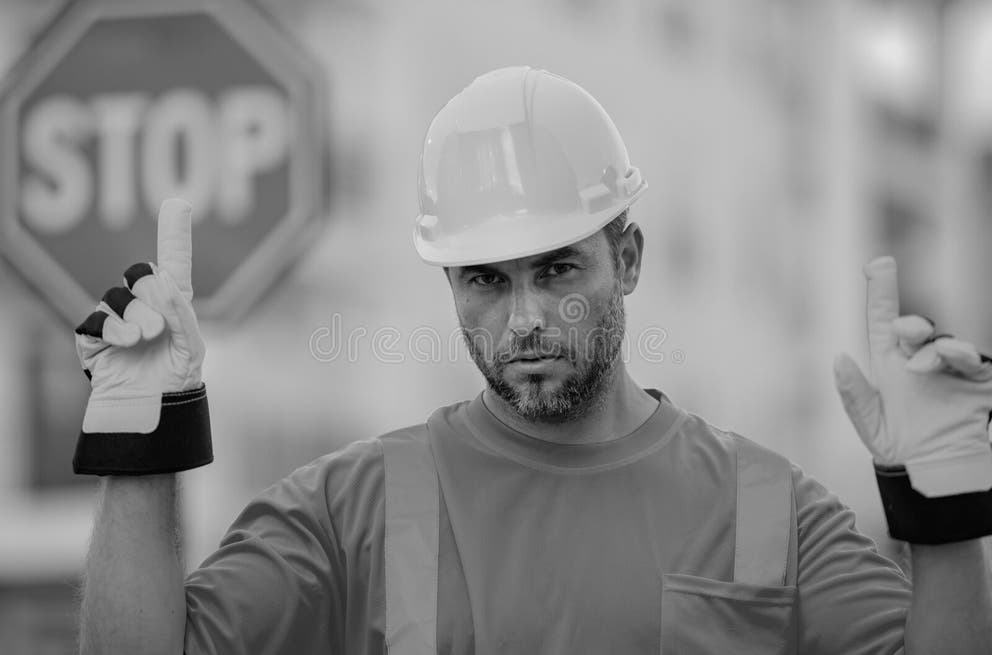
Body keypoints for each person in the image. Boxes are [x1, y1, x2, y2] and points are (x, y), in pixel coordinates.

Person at [75, 67, 992, 654]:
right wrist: (142, 446)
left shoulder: (767, 504)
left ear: (627, 260)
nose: (524, 319)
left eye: (558, 269)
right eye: (484, 280)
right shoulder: (348, 508)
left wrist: (946, 516)